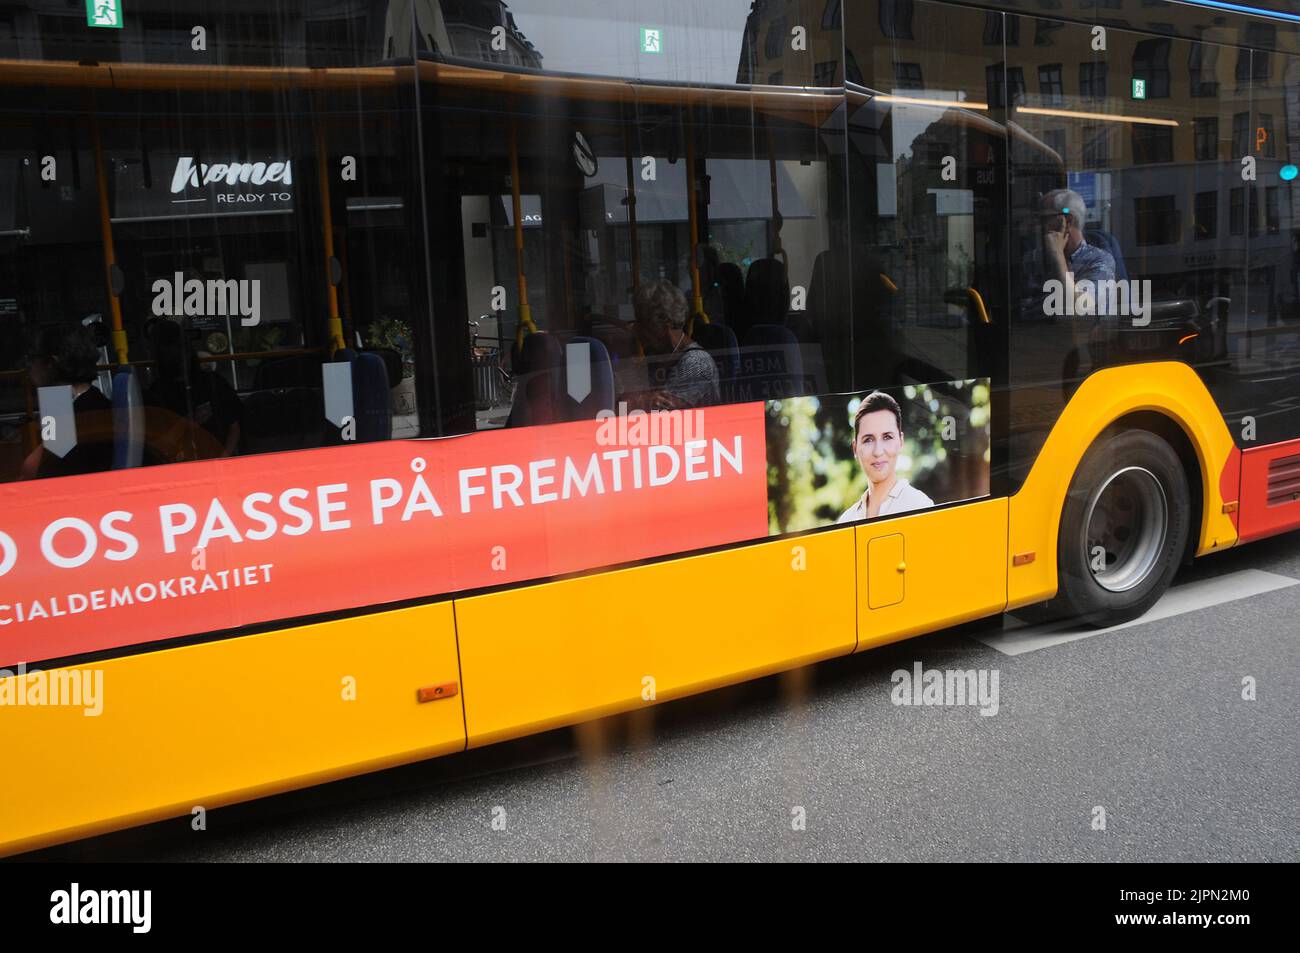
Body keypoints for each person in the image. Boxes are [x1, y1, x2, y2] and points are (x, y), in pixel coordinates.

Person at [18, 324, 114, 480]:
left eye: (31, 358)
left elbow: (43, 474)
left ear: (51, 363)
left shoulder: (81, 415)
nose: (27, 367)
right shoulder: (67, 402)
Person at [144, 318, 243, 460]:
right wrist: (188, 423)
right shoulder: (156, 394)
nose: (179, 356)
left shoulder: (213, 383)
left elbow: (234, 427)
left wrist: (222, 460)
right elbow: (158, 445)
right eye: (171, 351)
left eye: (180, 349)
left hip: (217, 461)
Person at [836, 390, 934, 523]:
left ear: (900, 442)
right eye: (868, 440)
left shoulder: (920, 506)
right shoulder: (846, 521)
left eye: (887, 437)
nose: (878, 451)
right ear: (855, 448)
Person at [632, 278, 720, 410]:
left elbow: (661, 412)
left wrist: (639, 400)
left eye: (643, 324)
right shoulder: (658, 356)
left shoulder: (696, 362)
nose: (638, 331)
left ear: (664, 324)